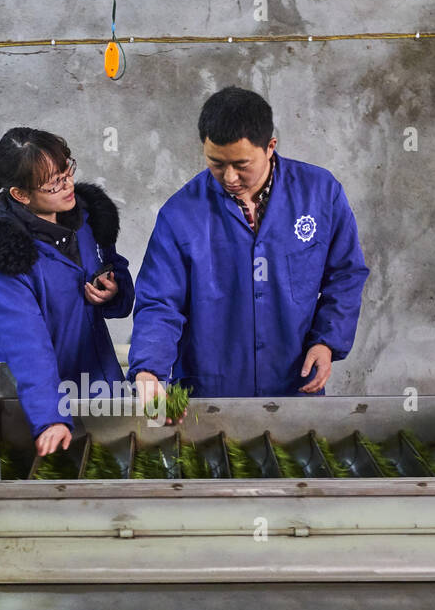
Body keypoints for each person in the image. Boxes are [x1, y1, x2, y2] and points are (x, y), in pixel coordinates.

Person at [128, 87, 369, 414]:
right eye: (216, 163)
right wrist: (149, 370)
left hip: (292, 385)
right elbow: (159, 301)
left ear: (270, 147)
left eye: (241, 165)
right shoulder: (181, 214)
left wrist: (327, 341)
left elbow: (345, 275)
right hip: (208, 394)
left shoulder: (320, 194)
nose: (229, 177)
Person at [0, 128, 134, 455]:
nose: (67, 185)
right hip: (36, 403)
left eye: (67, 171)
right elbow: (26, 343)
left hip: (100, 385)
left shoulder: (86, 220)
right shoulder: (4, 258)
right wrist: (49, 416)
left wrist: (114, 289)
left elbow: (112, 264)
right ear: (21, 195)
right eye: (53, 182)